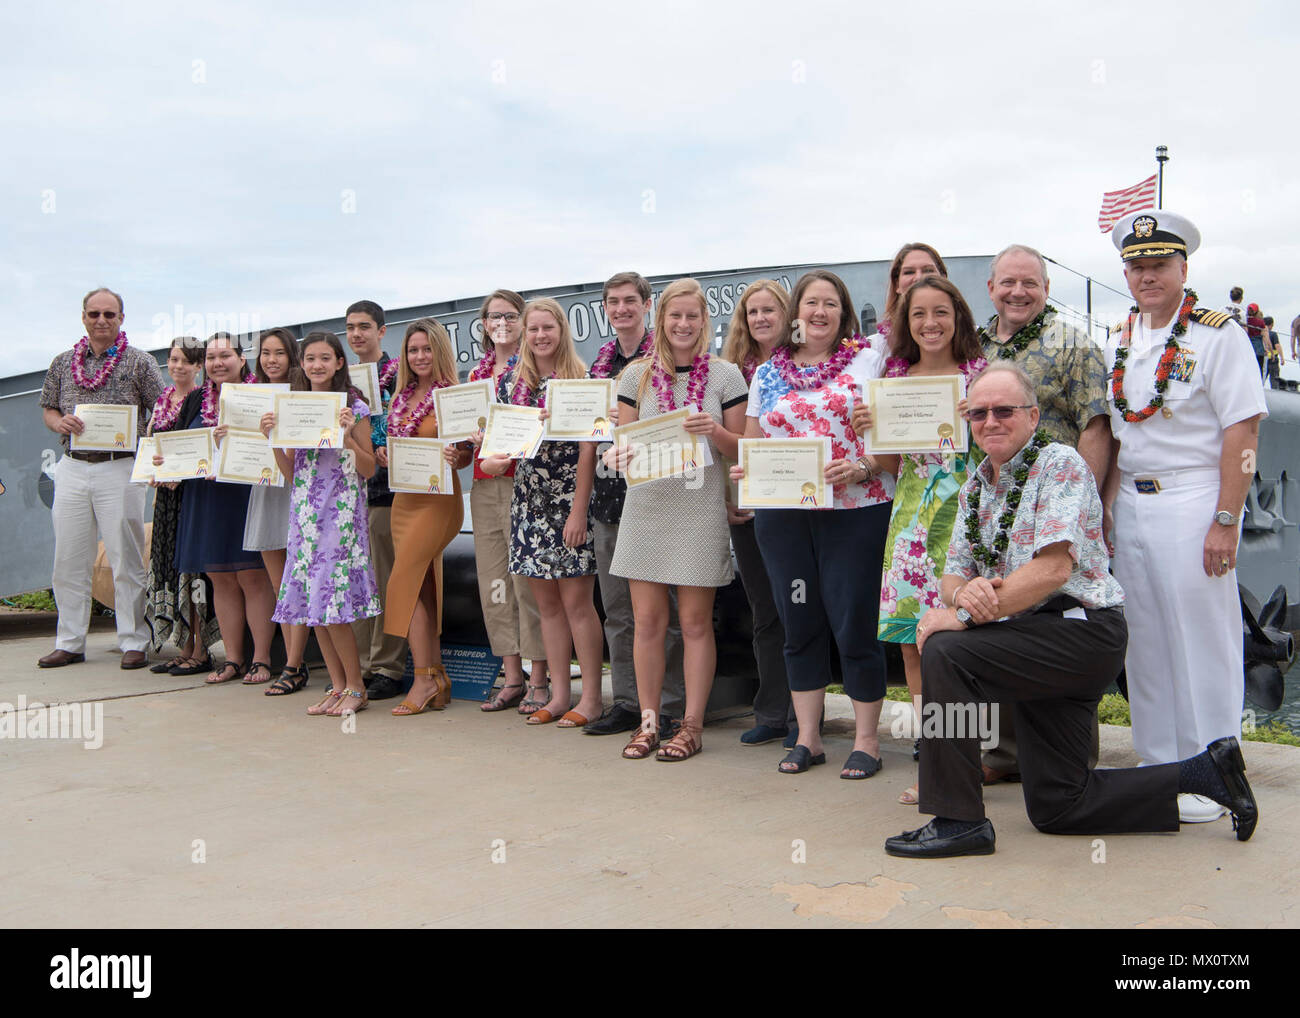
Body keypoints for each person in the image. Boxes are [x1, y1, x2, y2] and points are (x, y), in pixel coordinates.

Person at [884, 362, 1259, 858]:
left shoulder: (1058, 464)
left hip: (1080, 632)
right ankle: (1206, 772)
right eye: (978, 413)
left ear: (1033, 416)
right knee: (1060, 805)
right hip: (1031, 638)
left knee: (946, 651)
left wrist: (964, 615)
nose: (990, 421)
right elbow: (953, 572)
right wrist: (961, 595)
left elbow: (1053, 571)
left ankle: (957, 818)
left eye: (1004, 410)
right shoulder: (977, 485)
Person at [1102, 210, 1266, 824]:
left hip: (1197, 497)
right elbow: (1122, 438)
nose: (1147, 276)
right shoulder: (1123, 338)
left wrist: (1227, 519)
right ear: (1126, 272)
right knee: (1143, 643)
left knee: (1203, 640)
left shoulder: (1217, 336)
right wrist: (1110, 508)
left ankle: (1215, 768)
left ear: (1183, 268)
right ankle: (1160, 769)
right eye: (1137, 266)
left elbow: (1242, 431)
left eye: (1159, 265)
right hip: (1135, 506)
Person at [732, 269, 895, 779]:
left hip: (856, 511)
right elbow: (753, 444)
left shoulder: (872, 361)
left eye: (830, 304)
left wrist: (864, 465)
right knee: (798, 621)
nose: (819, 312)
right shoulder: (768, 373)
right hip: (784, 519)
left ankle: (866, 740)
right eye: (810, 304)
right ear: (795, 314)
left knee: (853, 622)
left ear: (843, 313)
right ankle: (808, 737)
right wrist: (746, 470)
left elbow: (891, 437)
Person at [976, 244, 1112, 784]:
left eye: (1029, 283)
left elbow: (1095, 427)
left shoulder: (1073, 344)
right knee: (994, 622)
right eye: (1007, 282)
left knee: (1056, 624)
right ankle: (999, 754)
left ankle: (1066, 758)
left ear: (1046, 289)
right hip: (992, 507)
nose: (1017, 292)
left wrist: (1082, 513)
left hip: (1052, 509)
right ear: (991, 288)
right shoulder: (978, 346)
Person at [852, 276, 986, 804]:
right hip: (910, 525)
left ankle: (976, 761)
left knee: (968, 647)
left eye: (941, 312)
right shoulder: (895, 378)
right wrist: (870, 426)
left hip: (969, 522)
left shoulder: (982, 376)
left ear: (958, 317)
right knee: (915, 648)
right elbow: (887, 465)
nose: (930, 323)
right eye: (918, 315)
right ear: (905, 325)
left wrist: (972, 420)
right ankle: (936, 766)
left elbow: (1005, 450)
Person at [603, 278, 748, 761]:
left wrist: (716, 433)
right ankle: (648, 723)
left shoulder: (726, 377)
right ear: (660, 320)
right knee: (646, 622)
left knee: (694, 624)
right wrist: (616, 457)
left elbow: (743, 449)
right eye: (674, 316)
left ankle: (691, 725)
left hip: (699, 508)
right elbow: (621, 445)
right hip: (647, 509)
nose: (683, 324)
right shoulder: (634, 377)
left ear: (704, 321)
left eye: (692, 316)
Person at [478, 298, 604, 727]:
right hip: (528, 503)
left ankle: (591, 697)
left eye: (547, 327)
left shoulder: (581, 378)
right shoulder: (509, 383)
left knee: (577, 604)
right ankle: (558, 694)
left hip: (569, 500)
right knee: (546, 605)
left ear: (561, 330)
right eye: (533, 329)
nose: (540, 336)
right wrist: (492, 461)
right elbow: (496, 453)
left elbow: (589, 449)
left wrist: (579, 511)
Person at [582, 271, 686, 739]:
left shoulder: (664, 357)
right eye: (612, 302)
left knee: (665, 613)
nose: (621, 309)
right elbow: (588, 439)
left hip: (657, 496)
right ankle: (626, 701)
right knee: (619, 610)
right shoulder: (597, 368)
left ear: (648, 305)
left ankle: (670, 704)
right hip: (608, 499)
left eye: (629, 301)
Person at [38, 287, 165, 670]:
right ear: (83, 317)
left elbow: (159, 411)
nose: (101, 321)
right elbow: (48, 408)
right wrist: (59, 421)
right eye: (94, 314)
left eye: (109, 314)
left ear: (121, 319)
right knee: (69, 558)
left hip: (120, 466)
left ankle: (133, 640)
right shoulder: (62, 363)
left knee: (126, 556)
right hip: (73, 466)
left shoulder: (141, 362)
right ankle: (70, 641)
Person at [263, 331, 381, 716]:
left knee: (332, 602)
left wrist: (348, 439)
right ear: (303, 364)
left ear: (339, 363)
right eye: (310, 358)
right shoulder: (295, 407)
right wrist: (273, 440)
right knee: (316, 606)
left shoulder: (355, 408)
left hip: (341, 514)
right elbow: (291, 474)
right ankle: (338, 684)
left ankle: (357, 687)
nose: (317, 365)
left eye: (325, 358)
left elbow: (367, 468)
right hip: (306, 516)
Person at [162, 333, 277, 685]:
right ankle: (232, 659)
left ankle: (262, 659)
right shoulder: (197, 399)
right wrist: (165, 468)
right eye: (210, 357)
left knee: (253, 576)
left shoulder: (263, 395)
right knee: (220, 578)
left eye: (225, 355)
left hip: (247, 491)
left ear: (242, 360)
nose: (217, 363)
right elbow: (180, 444)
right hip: (207, 495)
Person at [381, 319, 473, 715]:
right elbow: (394, 443)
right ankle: (436, 675)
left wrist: (460, 456)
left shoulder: (453, 395)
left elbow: (469, 450)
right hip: (405, 500)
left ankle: (420, 679)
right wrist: (386, 454)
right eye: (413, 350)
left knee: (404, 580)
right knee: (422, 587)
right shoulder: (399, 397)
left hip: (438, 500)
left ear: (439, 351)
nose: (419, 357)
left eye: (426, 349)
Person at [466, 290, 550, 714]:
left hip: (526, 482)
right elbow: (466, 439)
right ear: (483, 324)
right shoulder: (474, 379)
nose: (502, 323)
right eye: (493, 316)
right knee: (493, 581)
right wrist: (466, 442)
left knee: (526, 583)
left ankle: (539, 676)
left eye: (510, 315)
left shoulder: (534, 369)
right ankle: (511, 674)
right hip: (485, 485)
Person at [721, 280, 794, 746]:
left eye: (770, 310)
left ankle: (806, 713)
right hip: (751, 503)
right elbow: (736, 448)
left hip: (798, 500)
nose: (761, 318)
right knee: (765, 610)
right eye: (753, 312)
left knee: (803, 607)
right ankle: (771, 712)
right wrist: (734, 496)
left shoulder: (807, 365)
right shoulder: (735, 372)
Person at [240, 328, 311, 694]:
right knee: (280, 584)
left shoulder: (304, 394)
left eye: (279, 353)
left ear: (292, 357)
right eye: (265, 353)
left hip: (299, 488)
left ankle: (296, 665)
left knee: (298, 581)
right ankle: (290, 661)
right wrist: (226, 439)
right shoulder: (249, 396)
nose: (271, 360)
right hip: (265, 487)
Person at [345, 300, 409, 700]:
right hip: (347, 493)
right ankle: (362, 665)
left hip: (388, 489)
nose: (357, 334)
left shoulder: (399, 373)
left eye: (365, 326)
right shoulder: (340, 380)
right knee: (356, 581)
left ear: (382, 331)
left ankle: (388, 665)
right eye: (350, 327)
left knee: (386, 580)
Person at [145, 336, 220, 675]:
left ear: (198, 366)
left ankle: (201, 648)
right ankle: (185, 643)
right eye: (173, 359)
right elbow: (153, 447)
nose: (177, 366)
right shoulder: (162, 400)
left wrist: (179, 471)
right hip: (165, 496)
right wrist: (151, 468)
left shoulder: (200, 401)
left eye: (185, 361)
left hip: (188, 493)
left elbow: (199, 448)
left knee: (193, 574)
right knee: (172, 571)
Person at [867, 243, 948, 357]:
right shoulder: (875, 348)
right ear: (896, 284)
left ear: (943, 279)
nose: (919, 278)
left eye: (928, 270)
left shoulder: (974, 339)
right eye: (909, 272)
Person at [1244, 302, 1268, 377]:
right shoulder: (1260, 322)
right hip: (1258, 347)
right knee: (1259, 369)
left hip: (1247, 345)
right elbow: (1264, 336)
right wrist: (1266, 348)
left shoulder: (1245, 321)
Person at [1263, 316, 1284, 389]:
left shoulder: (1261, 333)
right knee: (1274, 380)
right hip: (1273, 359)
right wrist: (1282, 358)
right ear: (1271, 324)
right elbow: (1277, 346)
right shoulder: (1273, 334)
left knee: (1262, 378)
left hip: (1264, 358)